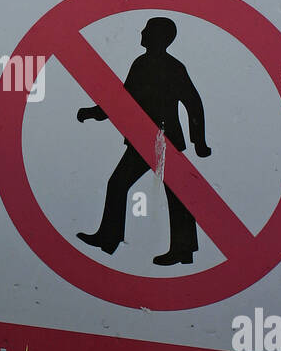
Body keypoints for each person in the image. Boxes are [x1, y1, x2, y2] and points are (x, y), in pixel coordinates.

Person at [76, 16, 211, 265]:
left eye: (147, 29)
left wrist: (199, 142)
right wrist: (95, 112)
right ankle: (110, 238)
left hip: (163, 139)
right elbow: (122, 100)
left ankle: (180, 250)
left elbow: (193, 103)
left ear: (158, 36)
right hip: (144, 138)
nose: (141, 32)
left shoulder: (172, 67)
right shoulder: (141, 64)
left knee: (173, 193)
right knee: (122, 184)